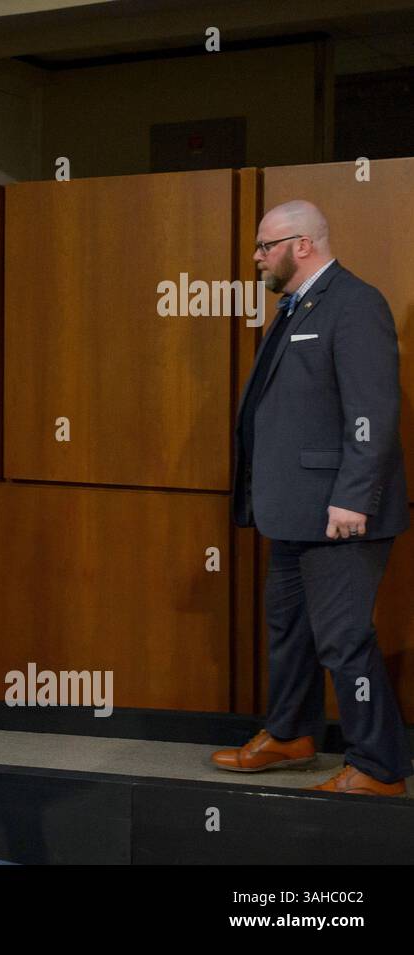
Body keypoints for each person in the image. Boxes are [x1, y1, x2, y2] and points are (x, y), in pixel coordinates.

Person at [214, 200, 411, 796]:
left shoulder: (355, 304)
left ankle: (379, 767)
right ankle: (292, 734)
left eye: (264, 246)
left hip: (340, 515)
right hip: (294, 511)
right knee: (289, 629)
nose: (255, 258)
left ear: (302, 245)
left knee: (342, 639)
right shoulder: (296, 305)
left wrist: (353, 497)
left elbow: (372, 412)